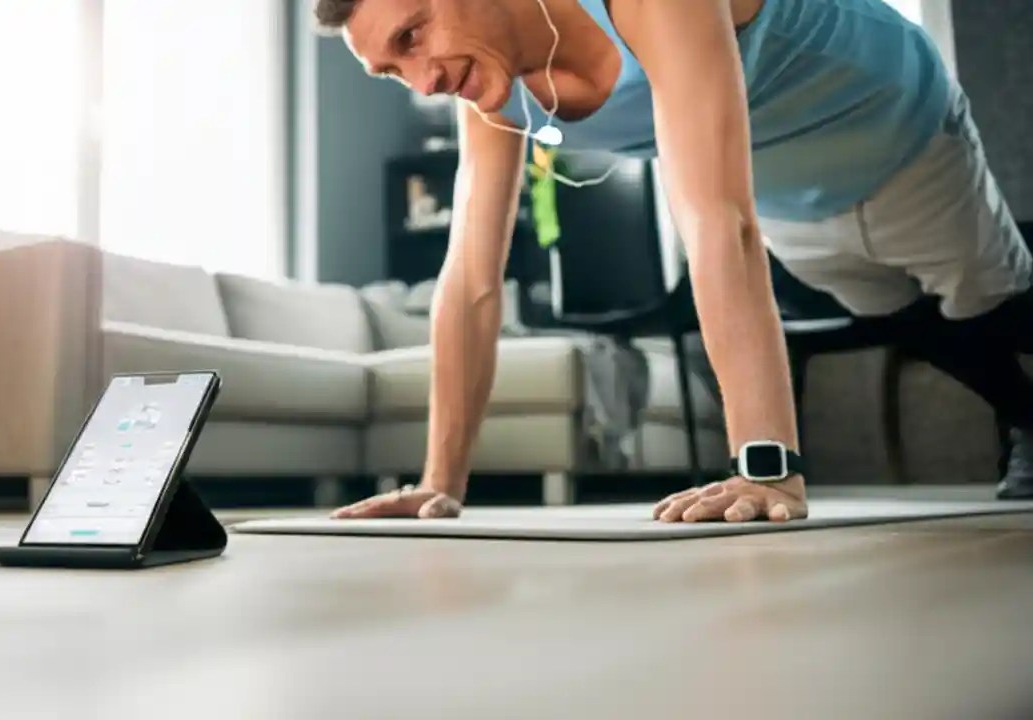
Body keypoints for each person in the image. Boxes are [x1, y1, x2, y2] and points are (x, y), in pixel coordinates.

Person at [318, 0, 1033, 523]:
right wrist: (438, 484)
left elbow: (715, 222)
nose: (422, 82)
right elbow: (471, 278)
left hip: (893, 127)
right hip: (788, 194)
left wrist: (766, 469)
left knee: (988, 303)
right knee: (900, 316)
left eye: (413, 36)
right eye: (391, 71)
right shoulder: (491, 91)